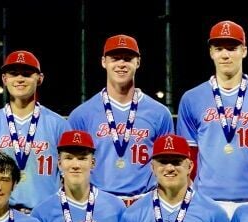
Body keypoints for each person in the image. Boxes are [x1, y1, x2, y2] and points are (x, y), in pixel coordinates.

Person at [177, 20, 248, 215]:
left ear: (244, 51)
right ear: (211, 52)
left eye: (232, 48)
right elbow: (188, 157)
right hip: (207, 201)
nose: (225, 55)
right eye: (219, 49)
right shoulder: (192, 98)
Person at [67, 35, 175, 204]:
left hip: (145, 203)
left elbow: (168, 165)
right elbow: (71, 168)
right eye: (115, 59)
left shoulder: (160, 113)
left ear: (138, 62)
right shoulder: (81, 115)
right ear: (104, 62)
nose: (121, 64)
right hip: (97, 206)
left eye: (128, 59)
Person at [0, 50, 69, 213]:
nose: (20, 79)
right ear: (4, 79)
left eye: (27, 74)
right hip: (3, 215)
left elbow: (70, 177)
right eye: (14, 74)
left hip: (49, 215)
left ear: (40, 79)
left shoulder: (59, 125)